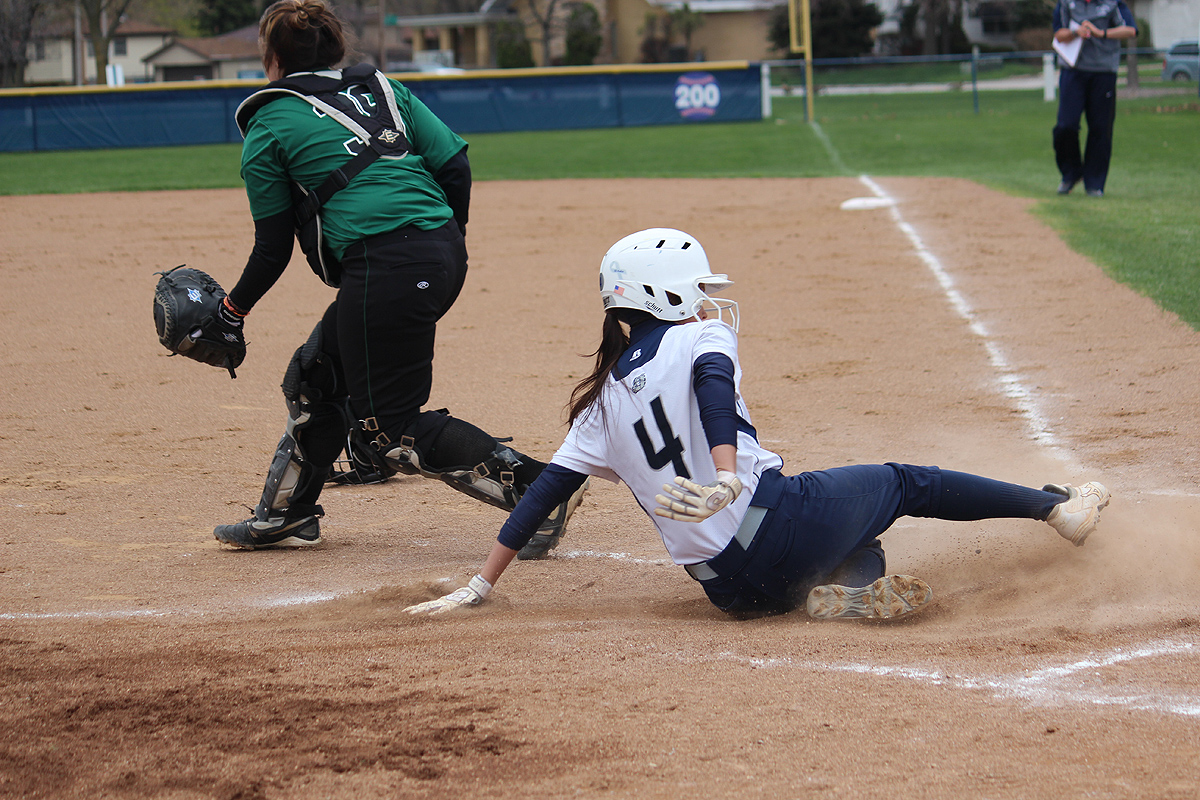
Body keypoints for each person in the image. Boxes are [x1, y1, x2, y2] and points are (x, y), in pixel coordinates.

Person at [404, 228, 1113, 621]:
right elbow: (714, 394)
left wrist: (483, 582)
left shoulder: (599, 403)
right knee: (903, 482)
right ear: (665, 292)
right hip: (775, 522)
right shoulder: (700, 339)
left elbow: (541, 495)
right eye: (698, 287)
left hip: (730, 594)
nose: (709, 300)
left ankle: (851, 592)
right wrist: (726, 473)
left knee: (853, 536)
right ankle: (1056, 508)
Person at [209, 0, 584, 557]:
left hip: (385, 267)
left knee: (388, 433)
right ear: (337, 49)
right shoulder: (383, 89)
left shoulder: (269, 120)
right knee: (317, 373)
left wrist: (229, 312)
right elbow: (454, 164)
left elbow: (272, 249)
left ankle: (539, 492)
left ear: (273, 59)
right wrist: (442, 240)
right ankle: (288, 513)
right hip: (434, 252)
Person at [1052, 0, 1138, 198]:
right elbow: (1058, 34)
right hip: (1073, 71)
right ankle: (1071, 173)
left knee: (1101, 128)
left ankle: (1094, 183)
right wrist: (1076, 32)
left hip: (1103, 71)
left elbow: (1131, 30)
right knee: (1066, 125)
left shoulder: (1112, 3)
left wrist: (1102, 33)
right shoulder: (1067, 3)